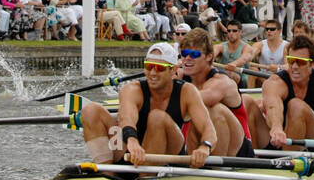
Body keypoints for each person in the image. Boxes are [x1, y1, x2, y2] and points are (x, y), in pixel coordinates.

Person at [80, 42, 218, 167]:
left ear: (173, 69)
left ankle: (144, 176)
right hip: (132, 149)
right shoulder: (132, 89)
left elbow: (208, 129)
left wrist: (204, 147)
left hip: (169, 156)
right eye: (149, 66)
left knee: (157, 117)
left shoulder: (187, 91)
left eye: (159, 68)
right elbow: (126, 119)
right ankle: (106, 174)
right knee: (90, 110)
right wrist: (132, 141)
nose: (152, 73)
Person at [248, 32, 314, 151]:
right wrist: (276, 128)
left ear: (313, 64)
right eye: (291, 60)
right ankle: (254, 158)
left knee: (295, 105)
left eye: (301, 62)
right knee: (247, 101)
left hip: (308, 137)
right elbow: (272, 107)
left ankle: (288, 156)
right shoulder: (275, 82)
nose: (295, 66)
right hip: (276, 136)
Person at [178, 27, 254, 156]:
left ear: (209, 57)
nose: (188, 58)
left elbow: (194, 99)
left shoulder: (221, 82)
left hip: (237, 151)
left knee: (212, 108)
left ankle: (216, 166)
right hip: (193, 144)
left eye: (195, 54)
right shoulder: (180, 76)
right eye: (185, 53)